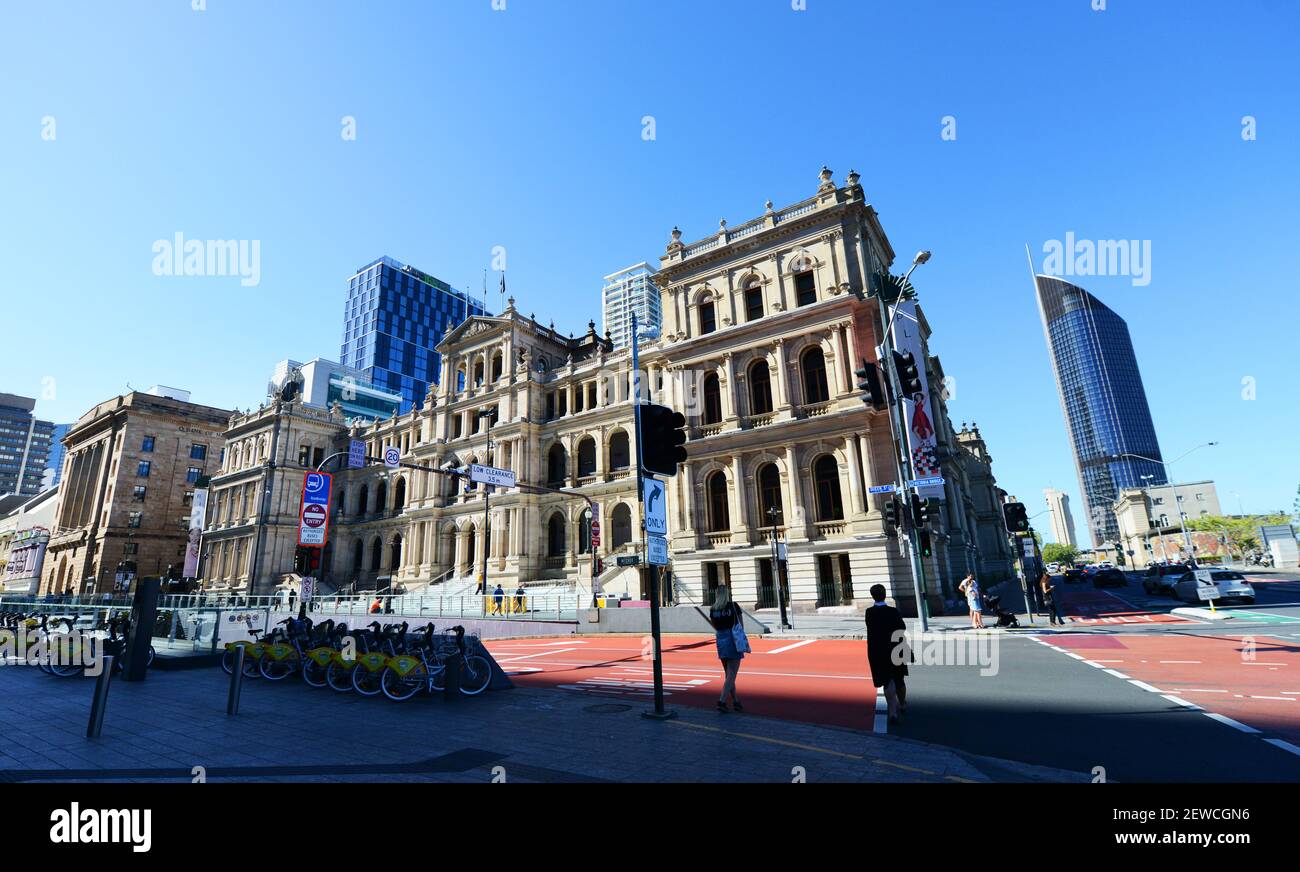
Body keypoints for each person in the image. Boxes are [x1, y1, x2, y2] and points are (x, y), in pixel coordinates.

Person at [864, 584, 909, 723]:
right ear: (884, 594)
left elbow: (871, 629)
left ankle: (892, 712)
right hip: (896, 647)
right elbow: (902, 627)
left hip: (878, 649)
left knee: (887, 680)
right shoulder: (893, 611)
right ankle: (902, 704)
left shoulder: (869, 612)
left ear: (873, 596)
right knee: (899, 678)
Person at [707, 584, 747, 713]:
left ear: (717, 594)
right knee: (732, 674)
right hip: (733, 639)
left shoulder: (713, 609)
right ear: (727, 594)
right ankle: (722, 701)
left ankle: (736, 701)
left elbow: (714, 626)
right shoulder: (733, 606)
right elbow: (741, 625)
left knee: (728, 674)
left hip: (720, 639)